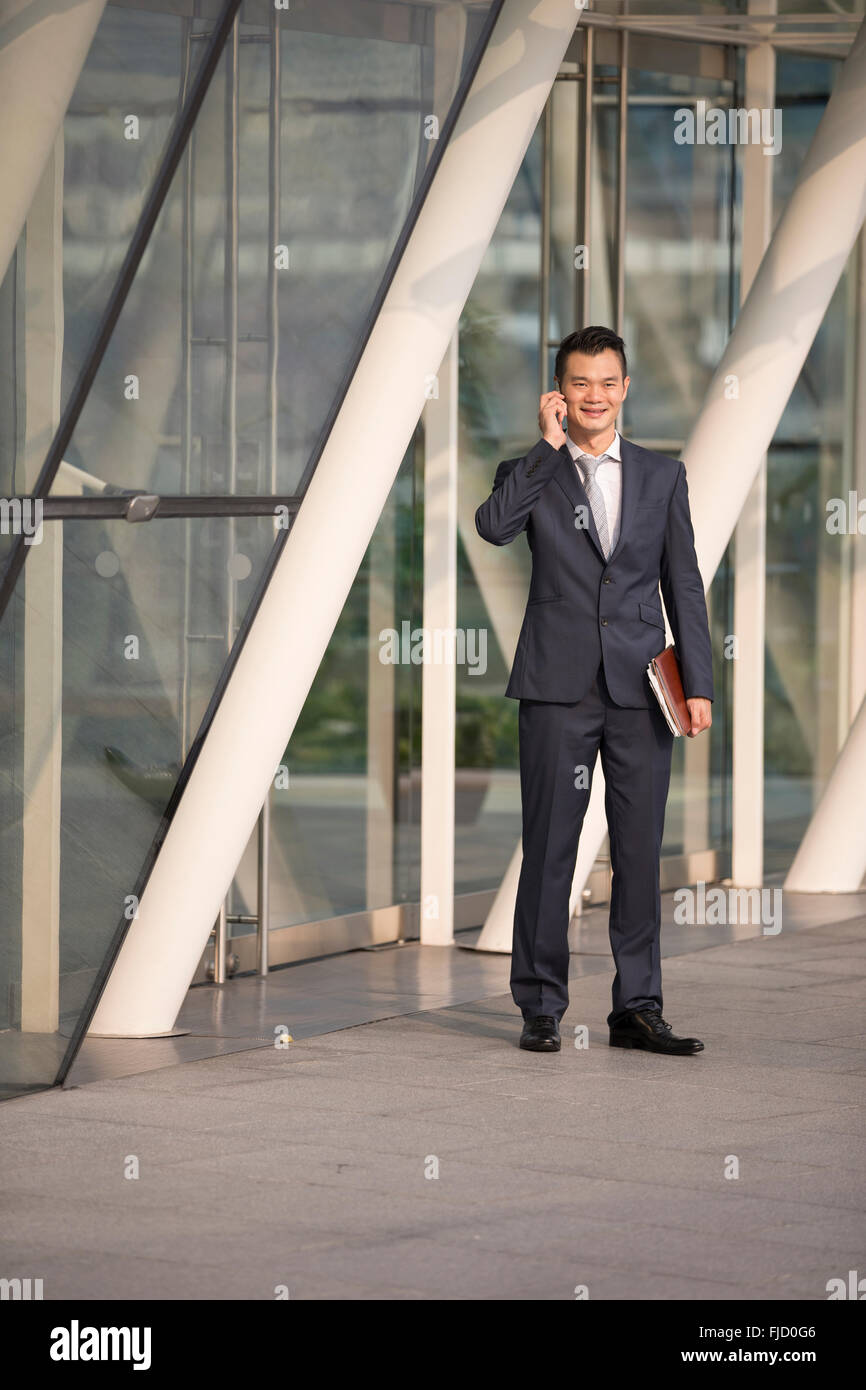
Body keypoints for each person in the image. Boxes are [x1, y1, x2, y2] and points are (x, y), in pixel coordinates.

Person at [474, 326, 714, 1056]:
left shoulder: (661, 477)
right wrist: (546, 450)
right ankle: (540, 1006)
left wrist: (697, 683)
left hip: (642, 687)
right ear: (559, 392)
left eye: (608, 383)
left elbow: (683, 583)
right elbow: (492, 528)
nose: (595, 397)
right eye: (580, 384)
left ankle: (637, 1008)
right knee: (551, 845)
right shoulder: (530, 469)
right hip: (556, 686)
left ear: (626, 388)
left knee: (639, 850)